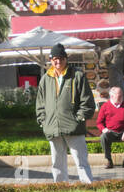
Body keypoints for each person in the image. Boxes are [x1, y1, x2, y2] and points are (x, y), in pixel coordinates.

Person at [35, 43, 96, 184]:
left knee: (81, 161)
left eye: (61, 58)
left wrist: (78, 119)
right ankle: (60, 188)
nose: (58, 62)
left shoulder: (77, 76)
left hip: (74, 128)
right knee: (57, 163)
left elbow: (88, 103)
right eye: (55, 58)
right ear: (50, 60)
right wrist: (43, 121)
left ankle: (88, 188)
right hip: (53, 128)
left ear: (66, 59)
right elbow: (40, 104)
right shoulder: (45, 79)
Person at [95, 85, 124, 169]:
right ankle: (108, 161)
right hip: (110, 132)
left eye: (121, 95)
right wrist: (104, 129)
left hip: (123, 132)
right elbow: (99, 122)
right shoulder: (105, 106)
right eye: (119, 95)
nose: (121, 97)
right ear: (112, 96)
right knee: (103, 136)